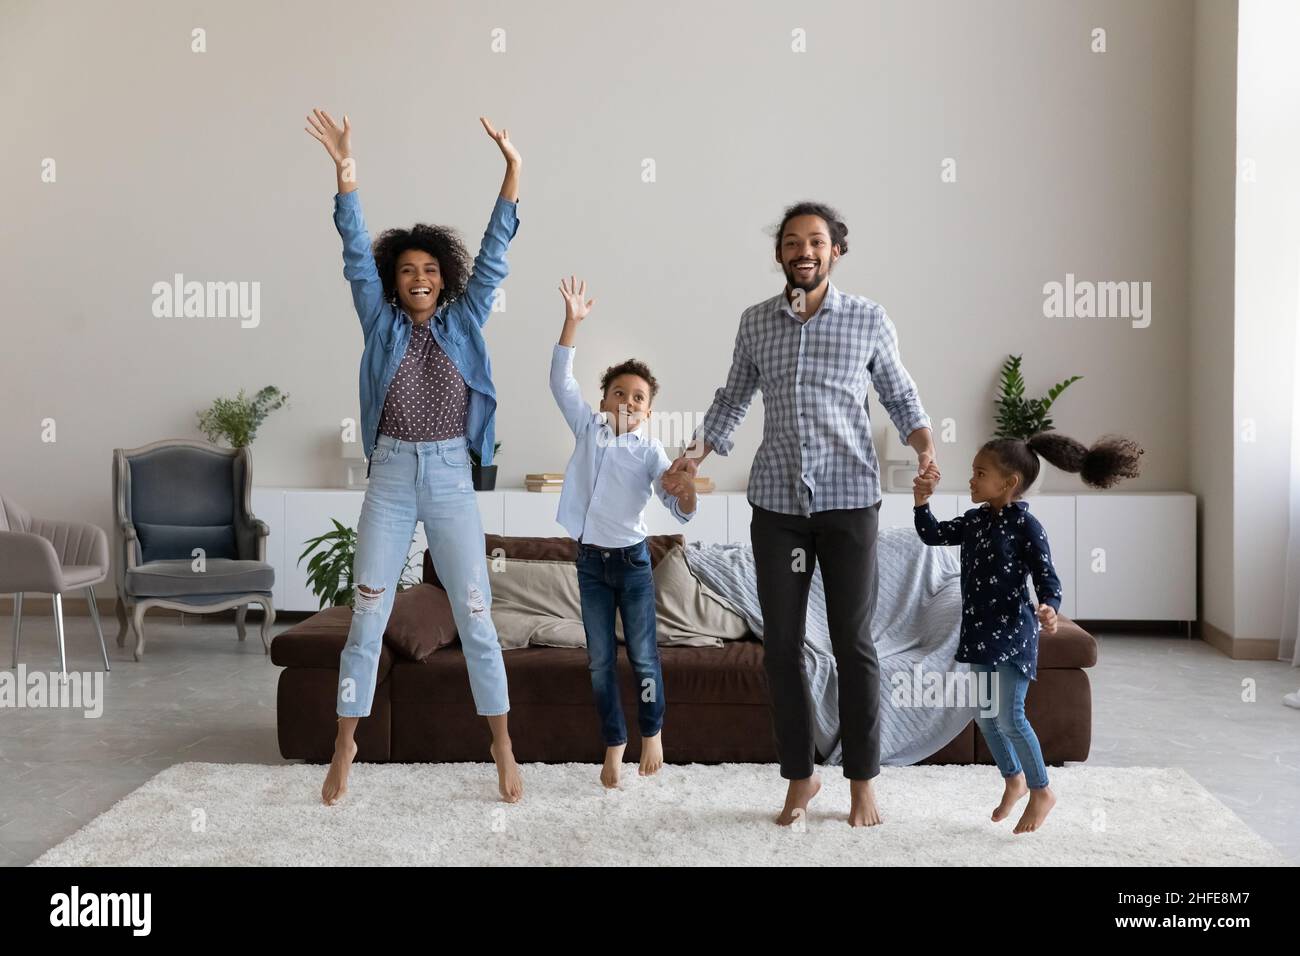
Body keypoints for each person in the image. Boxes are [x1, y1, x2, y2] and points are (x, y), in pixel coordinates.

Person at [667, 202, 936, 827]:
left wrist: (925, 446)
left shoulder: (868, 319)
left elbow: (899, 391)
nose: (803, 251)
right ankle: (799, 777)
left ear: (835, 250)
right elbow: (731, 398)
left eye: (815, 241)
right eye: (792, 242)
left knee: (854, 644)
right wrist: (694, 454)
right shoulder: (757, 323)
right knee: (782, 648)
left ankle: (863, 781)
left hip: (849, 504)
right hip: (779, 506)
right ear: (780, 255)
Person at [305, 107, 524, 806]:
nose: (419, 278)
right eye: (407, 270)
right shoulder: (380, 321)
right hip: (393, 477)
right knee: (367, 611)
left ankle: (503, 748)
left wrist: (512, 172)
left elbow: (494, 256)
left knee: (476, 616)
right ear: (393, 280)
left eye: (430, 269)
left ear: (444, 277)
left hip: (452, 481)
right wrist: (347, 178)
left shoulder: (464, 320)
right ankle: (345, 746)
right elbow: (351, 251)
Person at [549, 276, 696, 788]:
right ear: (605, 398)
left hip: (633, 563)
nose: (628, 402)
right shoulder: (588, 428)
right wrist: (573, 323)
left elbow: (675, 507)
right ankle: (614, 742)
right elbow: (559, 383)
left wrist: (685, 491)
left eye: (638, 398)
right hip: (590, 563)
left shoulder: (651, 453)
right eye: (619, 394)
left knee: (643, 654)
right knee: (598, 662)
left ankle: (651, 731)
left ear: (649, 410)